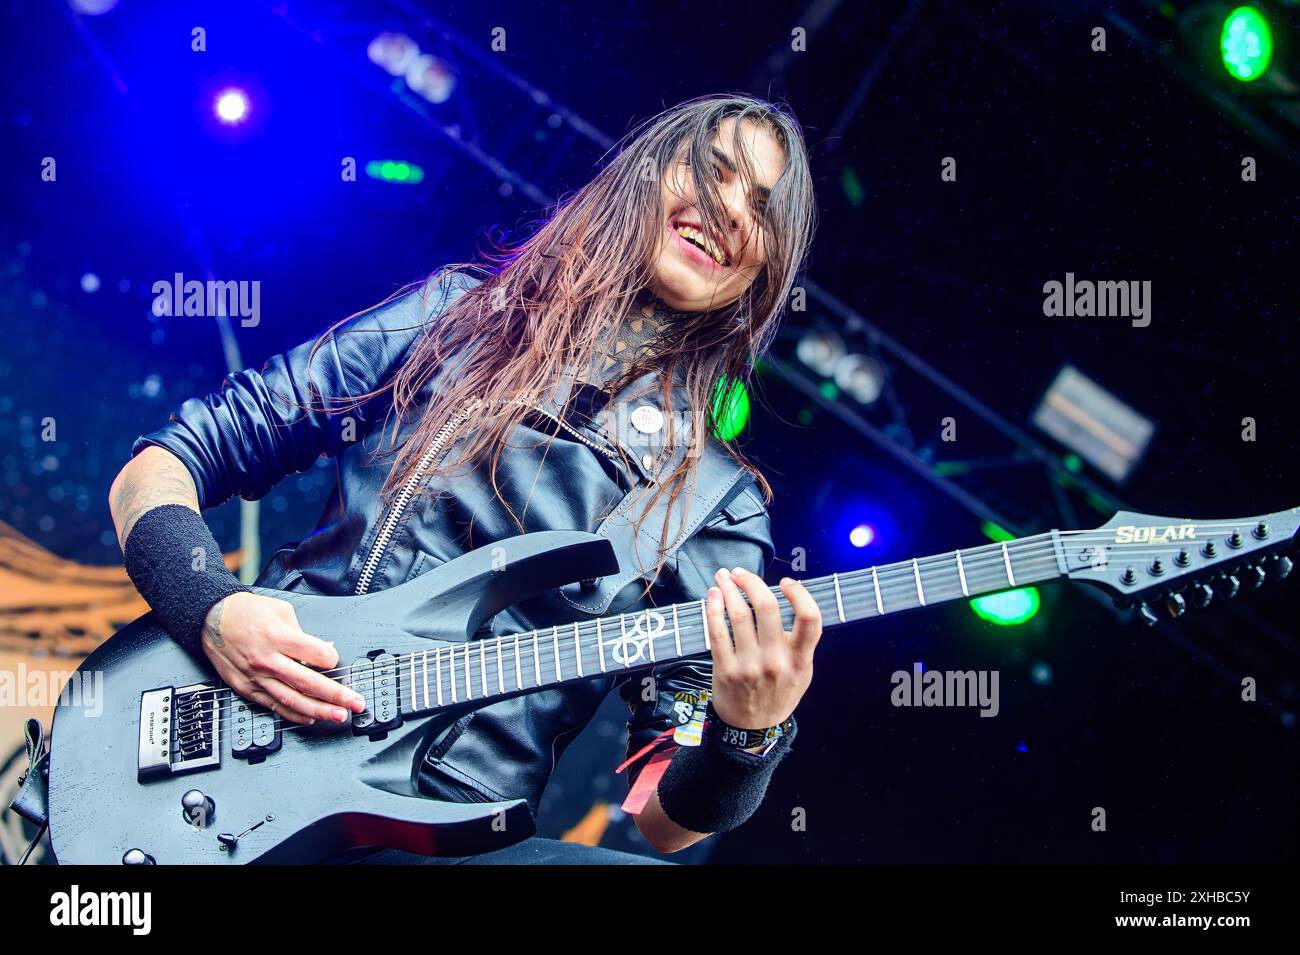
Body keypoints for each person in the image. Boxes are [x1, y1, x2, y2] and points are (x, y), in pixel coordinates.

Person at [110, 93, 822, 863]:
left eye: (761, 208)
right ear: (647, 174)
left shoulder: (715, 504)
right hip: (241, 764)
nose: (726, 211)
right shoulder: (455, 317)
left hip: (444, 838)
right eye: (712, 173)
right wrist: (212, 609)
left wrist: (745, 736)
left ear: (768, 263)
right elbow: (160, 466)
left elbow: (660, 818)